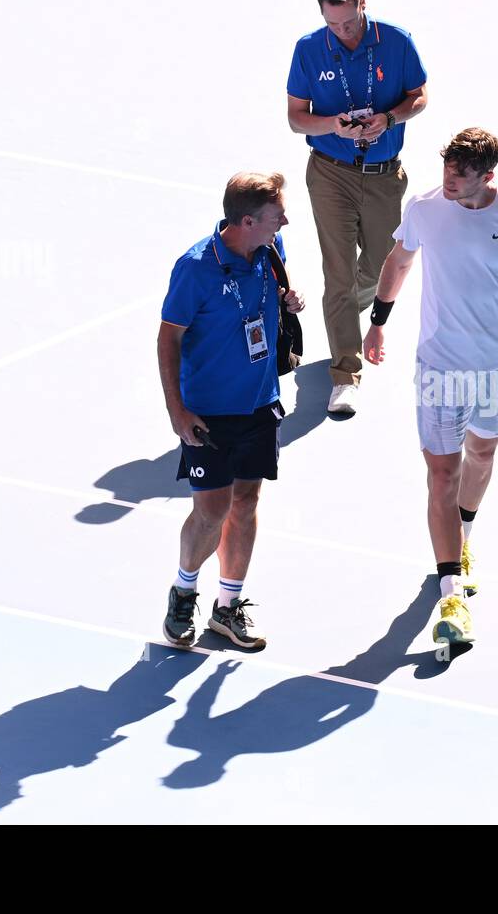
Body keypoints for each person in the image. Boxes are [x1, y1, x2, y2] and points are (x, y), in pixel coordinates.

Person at [362, 128, 498, 647]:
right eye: (447, 170)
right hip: (438, 365)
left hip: (495, 362)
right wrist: (379, 320)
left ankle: (465, 536)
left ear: (487, 177)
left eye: (461, 174)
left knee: (481, 453)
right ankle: (451, 590)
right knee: (442, 471)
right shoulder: (426, 207)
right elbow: (400, 260)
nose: (449, 181)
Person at [157, 172, 306, 650]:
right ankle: (183, 594)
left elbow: (275, 295)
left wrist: (288, 301)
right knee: (212, 510)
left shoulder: (270, 248)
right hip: (208, 413)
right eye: (275, 216)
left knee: (245, 504)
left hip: (260, 403)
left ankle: (228, 607)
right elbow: (168, 339)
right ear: (246, 221)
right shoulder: (195, 267)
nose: (284, 221)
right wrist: (178, 412)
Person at [286, 0, 428, 415]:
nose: (343, 32)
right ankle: (345, 373)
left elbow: (419, 96)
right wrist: (332, 126)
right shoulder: (309, 50)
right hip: (330, 173)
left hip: (385, 173)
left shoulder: (397, 41)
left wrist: (389, 119)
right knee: (339, 273)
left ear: (362, 3)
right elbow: (295, 118)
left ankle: (348, 309)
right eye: (333, 25)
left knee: (382, 263)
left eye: (349, 22)